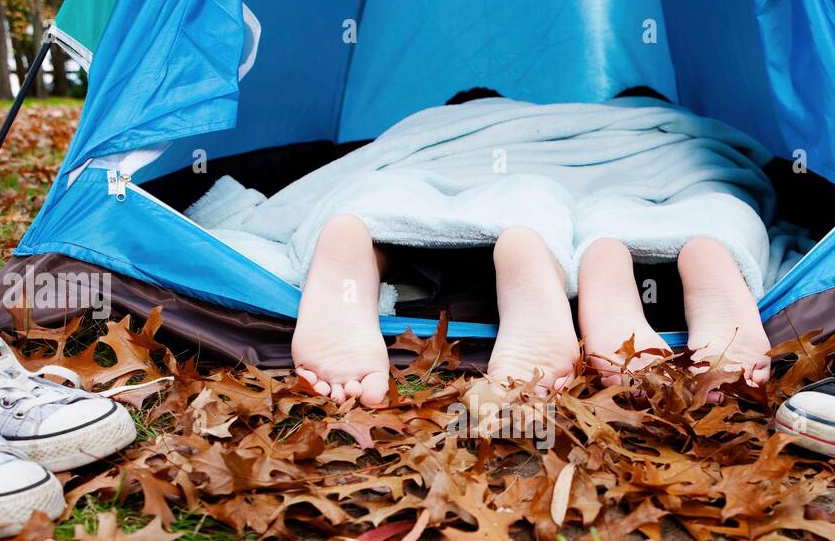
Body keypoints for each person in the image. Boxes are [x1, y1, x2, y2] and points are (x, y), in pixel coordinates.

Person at [291, 88, 771, 406]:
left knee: (467, 193)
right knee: (700, 200)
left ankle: (362, 239)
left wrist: (466, 110)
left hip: (471, 155)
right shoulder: (662, 120)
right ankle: (682, 252)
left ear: (462, 107)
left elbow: (383, 154)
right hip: (655, 154)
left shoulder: (453, 120)